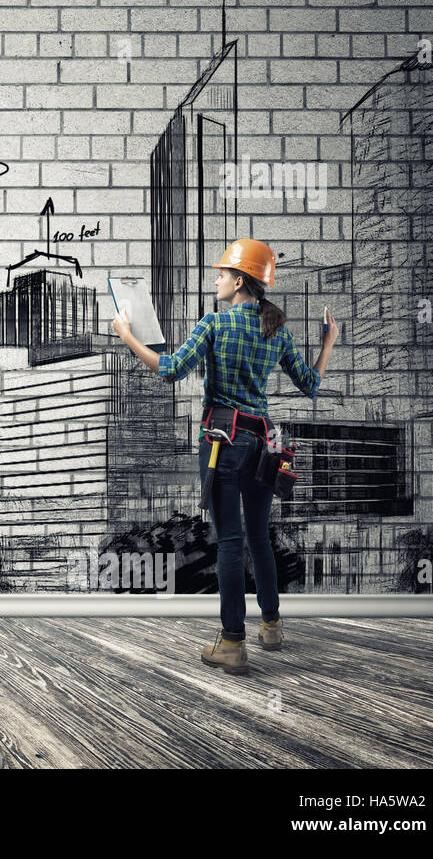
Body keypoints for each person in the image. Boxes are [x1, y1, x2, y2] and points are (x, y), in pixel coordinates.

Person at [111, 238, 338, 675]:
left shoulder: (214, 325)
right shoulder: (278, 331)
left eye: (221, 274)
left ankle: (232, 642)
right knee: (259, 537)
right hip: (264, 445)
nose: (216, 280)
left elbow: (170, 370)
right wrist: (328, 342)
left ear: (239, 280)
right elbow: (310, 384)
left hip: (222, 440)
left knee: (230, 541)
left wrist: (127, 336)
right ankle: (271, 625)